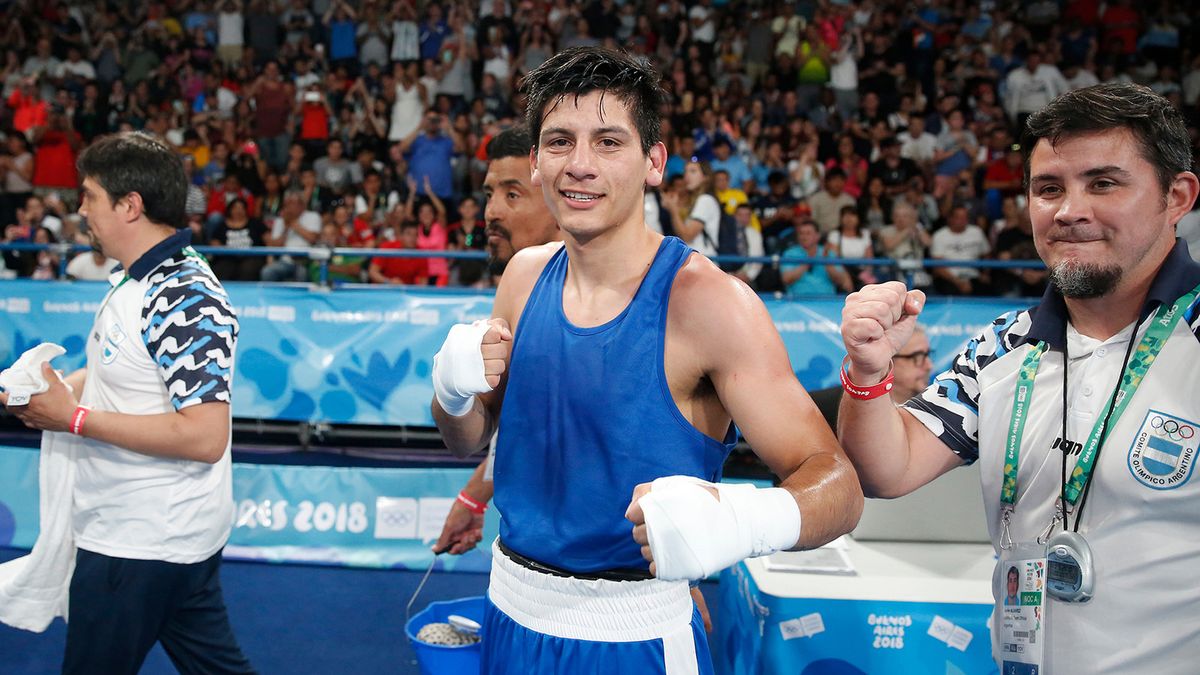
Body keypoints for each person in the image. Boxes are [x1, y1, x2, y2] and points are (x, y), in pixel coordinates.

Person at [429, 47, 862, 674]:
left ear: (654, 162)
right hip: (509, 612)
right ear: (537, 161)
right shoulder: (522, 277)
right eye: (559, 141)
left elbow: (839, 486)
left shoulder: (709, 304)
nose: (580, 164)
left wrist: (742, 519)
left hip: (635, 640)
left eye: (608, 142)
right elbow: (467, 441)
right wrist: (451, 395)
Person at [836, 83, 1199, 673]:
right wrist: (869, 371)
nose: (1069, 211)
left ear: (1176, 197)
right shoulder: (1002, 346)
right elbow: (887, 470)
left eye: (1103, 184)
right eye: (1048, 188)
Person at [0, 132, 254, 674]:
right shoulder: (140, 278)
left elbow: (205, 436)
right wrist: (57, 388)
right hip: (157, 535)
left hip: (139, 542)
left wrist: (71, 417)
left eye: (90, 195)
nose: (80, 210)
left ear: (129, 205)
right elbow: (122, 369)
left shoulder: (184, 295)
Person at [808, 325, 934, 429]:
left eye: (928, 355)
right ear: (885, 360)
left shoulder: (935, 416)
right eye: (918, 357)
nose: (929, 366)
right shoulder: (819, 409)